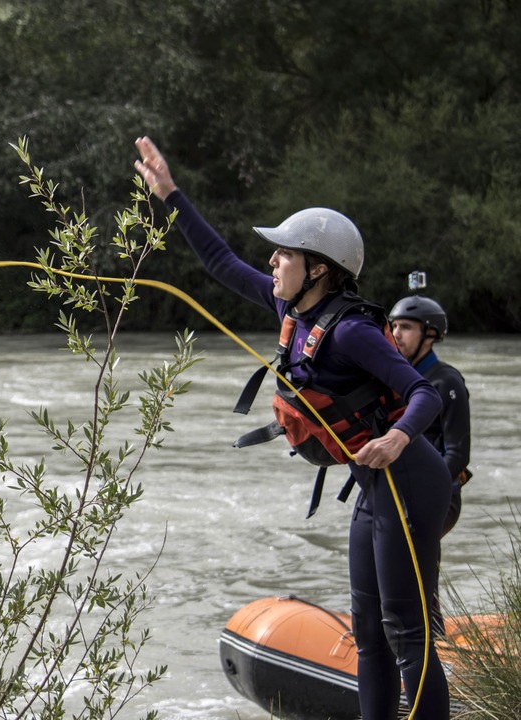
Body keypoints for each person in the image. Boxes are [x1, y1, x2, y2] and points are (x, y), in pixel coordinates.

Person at [134, 136, 452, 720]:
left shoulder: (353, 331)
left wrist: (397, 436)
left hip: (412, 482)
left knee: (408, 634)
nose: (273, 262)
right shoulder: (291, 310)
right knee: (369, 634)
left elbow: (423, 392)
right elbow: (220, 264)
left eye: (284, 254)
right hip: (374, 487)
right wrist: (171, 195)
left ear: (319, 269)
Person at [388, 295, 471, 537]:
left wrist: (424, 494)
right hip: (399, 489)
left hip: (438, 494)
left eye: (406, 327)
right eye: (393, 326)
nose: (396, 333)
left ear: (431, 334)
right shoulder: (396, 377)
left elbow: (458, 453)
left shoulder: (447, 381)